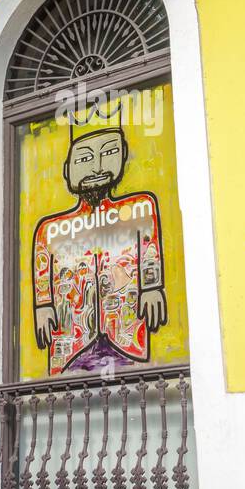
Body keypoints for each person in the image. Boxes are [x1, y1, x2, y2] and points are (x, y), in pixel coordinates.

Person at [31, 104, 166, 374]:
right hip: (73, 341)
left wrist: (152, 287)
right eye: (84, 159)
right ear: (67, 169)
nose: (97, 167)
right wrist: (43, 305)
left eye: (110, 152)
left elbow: (149, 247)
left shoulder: (139, 207)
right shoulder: (51, 227)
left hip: (125, 334)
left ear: (124, 155)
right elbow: (43, 263)